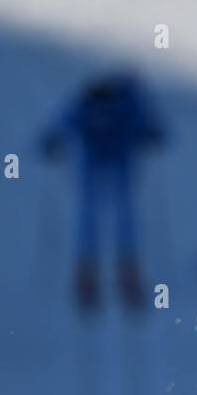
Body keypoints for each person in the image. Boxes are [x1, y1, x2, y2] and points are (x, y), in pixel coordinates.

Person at [41, 72, 164, 312]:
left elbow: (149, 124)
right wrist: (52, 139)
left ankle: (124, 277)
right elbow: (62, 123)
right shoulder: (86, 105)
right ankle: (89, 279)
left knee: (122, 217)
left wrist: (150, 134)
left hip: (117, 162)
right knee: (93, 217)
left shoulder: (125, 105)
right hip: (97, 163)